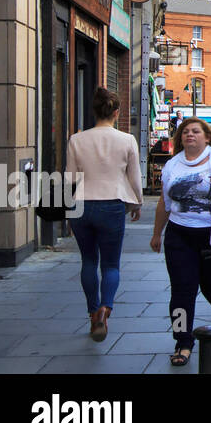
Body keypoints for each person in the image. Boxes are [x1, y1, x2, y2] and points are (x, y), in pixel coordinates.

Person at [151, 117, 211, 366]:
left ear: (207, 136)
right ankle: (182, 341)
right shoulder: (172, 165)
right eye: (185, 132)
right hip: (179, 235)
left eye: (196, 131)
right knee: (182, 291)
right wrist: (156, 233)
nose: (189, 135)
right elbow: (164, 202)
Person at [66, 88, 144, 342]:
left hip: (81, 205)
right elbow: (134, 176)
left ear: (94, 111)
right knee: (110, 264)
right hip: (112, 204)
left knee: (88, 261)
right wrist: (138, 203)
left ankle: (92, 312)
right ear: (117, 112)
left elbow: (70, 179)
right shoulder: (127, 140)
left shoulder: (76, 140)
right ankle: (105, 309)